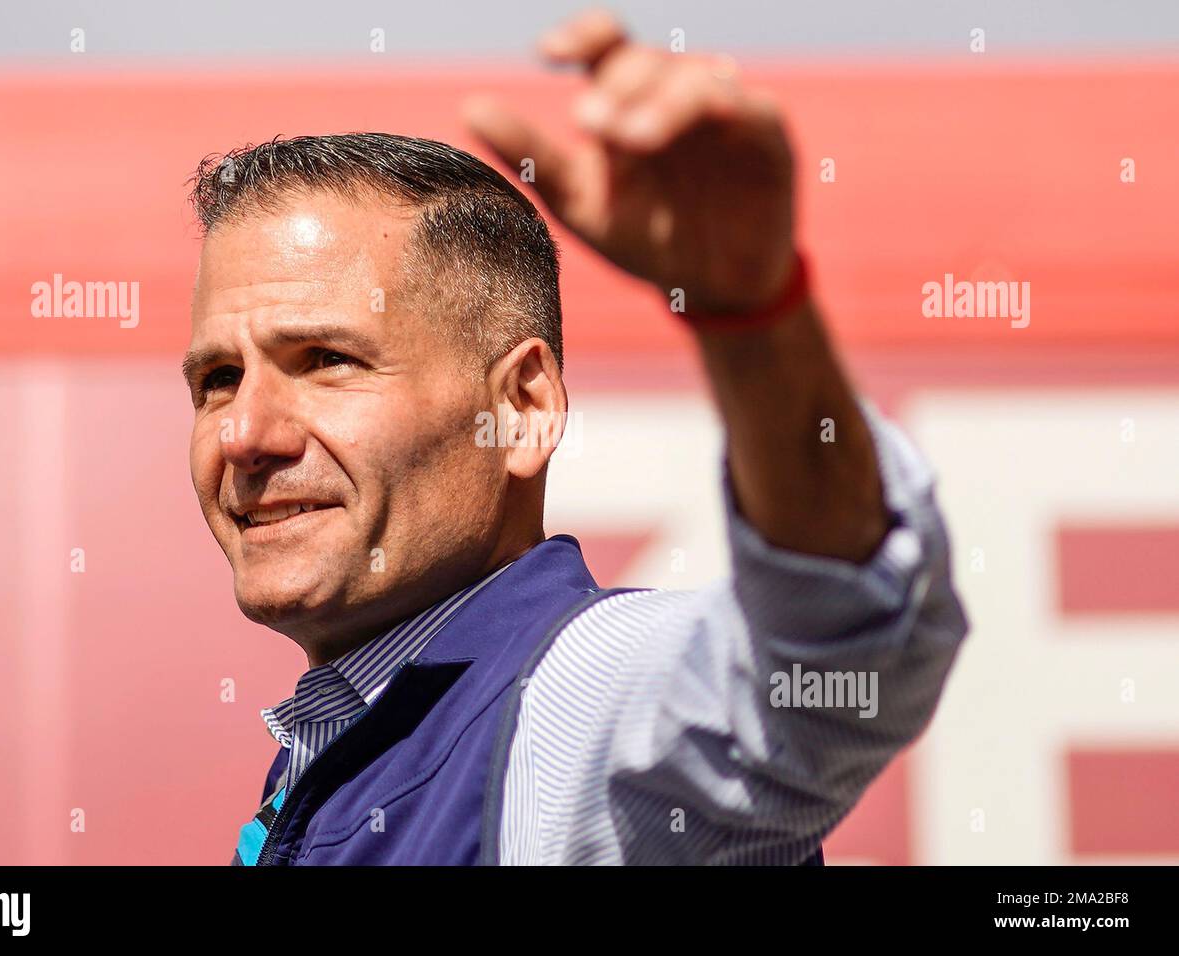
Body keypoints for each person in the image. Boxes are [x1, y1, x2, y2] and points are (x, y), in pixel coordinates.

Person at [180, 9, 968, 865]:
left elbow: (837, 665)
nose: (245, 433)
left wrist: (752, 311)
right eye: (218, 378)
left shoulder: (572, 707)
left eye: (327, 359)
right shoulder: (337, 750)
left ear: (522, 407)